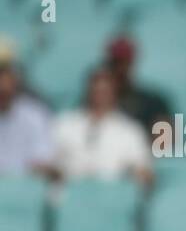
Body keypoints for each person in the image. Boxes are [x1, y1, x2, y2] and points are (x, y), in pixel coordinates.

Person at [49, 68, 153, 186]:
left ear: (114, 93)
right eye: (96, 91)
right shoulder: (64, 123)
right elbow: (47, 159)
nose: (100, 96)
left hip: (112, 195)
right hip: (68, 190)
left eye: (105, 92)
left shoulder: (130, 130)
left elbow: (143, 167)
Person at [0, 38, 55, 176]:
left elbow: (42, 161)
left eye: (4, 73)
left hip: (23, 193)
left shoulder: (35, 115)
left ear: (15, 78)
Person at [103, 36, 173, 140]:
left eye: (124, 63)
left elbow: (167, 142)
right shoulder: (96, 102)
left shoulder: (154, 103)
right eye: (115, 63)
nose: (120, 69)